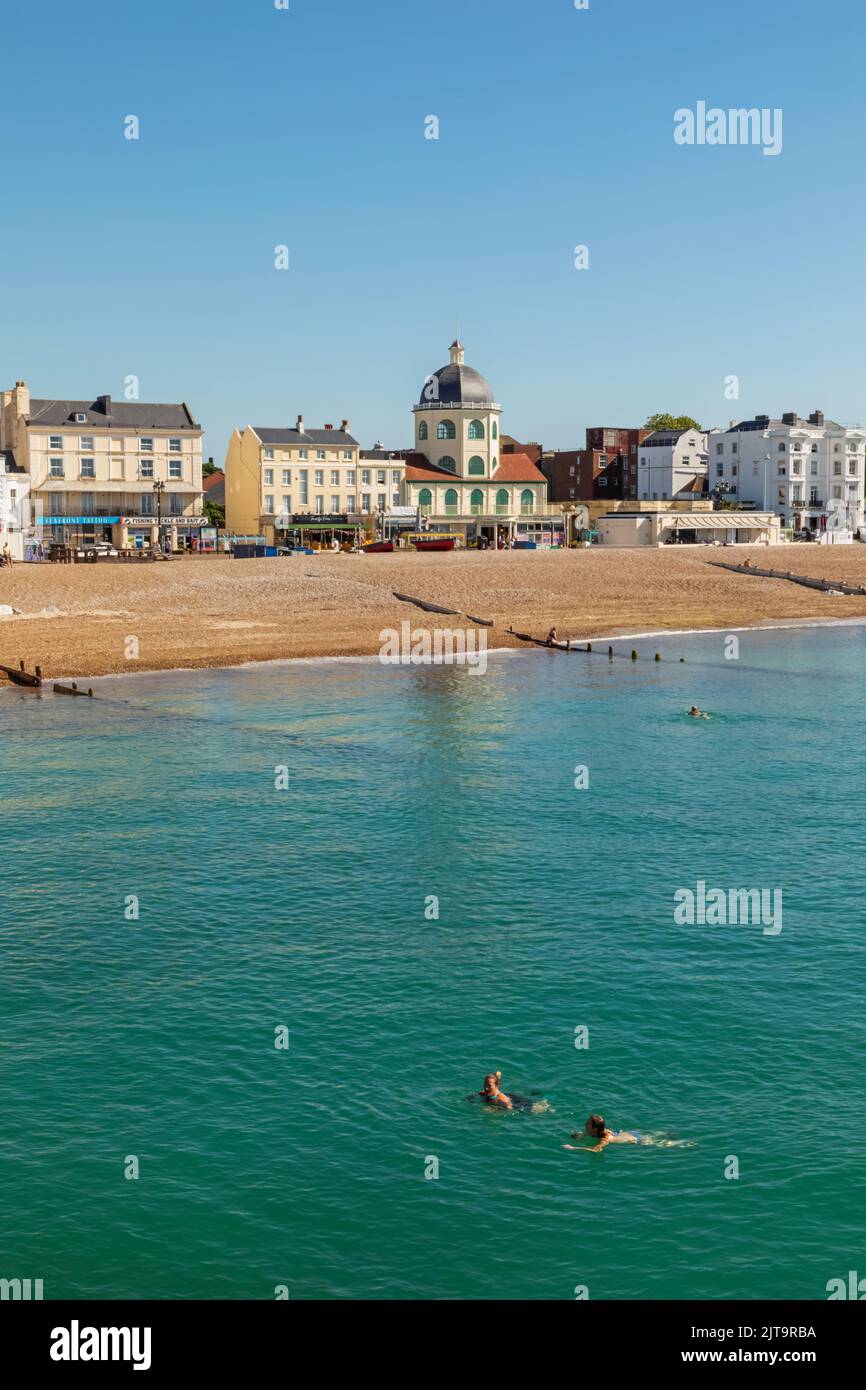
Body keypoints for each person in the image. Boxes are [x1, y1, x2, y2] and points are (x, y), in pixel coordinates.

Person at [563, 1114, 642, 1152]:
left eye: (588, 1124)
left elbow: (597, 1149)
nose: (585, 1124)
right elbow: (587, 1134)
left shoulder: (604, 1138)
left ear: (594, 1129)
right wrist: (575, 1136)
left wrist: (573, 1148)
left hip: (638, 1140)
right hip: (627, 1133)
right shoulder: (596, 1131)